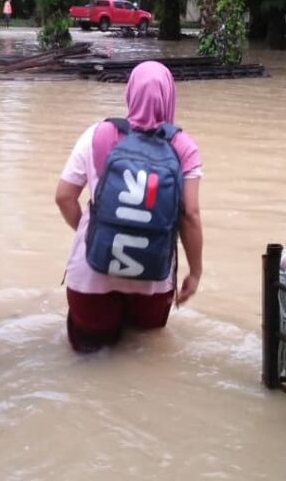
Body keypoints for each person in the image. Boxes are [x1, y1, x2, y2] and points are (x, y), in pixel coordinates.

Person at [55, 61, 203, 352]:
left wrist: (94, 234)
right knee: (144, 354)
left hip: (91, 277)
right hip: (153, 279)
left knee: (89, 362)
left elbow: (63, 197)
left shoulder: (97, 135)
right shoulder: (183, 147)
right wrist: (195, 272)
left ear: (129, 93)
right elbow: (190, 215)